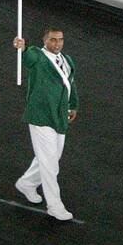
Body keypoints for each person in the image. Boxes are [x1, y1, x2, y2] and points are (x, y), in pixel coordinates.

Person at [12, 29, 78, 222]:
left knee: (52, 157)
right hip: (41, 116)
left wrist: (73, 104)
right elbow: (28, 57)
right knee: (50, 164)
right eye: (53, 40)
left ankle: (27, 183)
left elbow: (70, 84)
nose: (57, 44)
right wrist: (22, 48)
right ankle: (54, 206)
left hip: (59, 115)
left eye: (60, 40)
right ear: (45, 41)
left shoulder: (67, 60)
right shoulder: (38, 56)